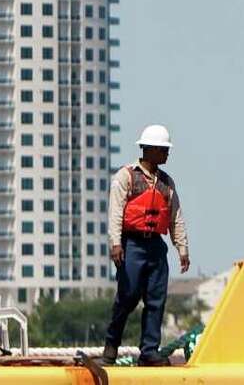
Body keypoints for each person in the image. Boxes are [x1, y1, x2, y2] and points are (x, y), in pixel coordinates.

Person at [103, 125, 192, 365]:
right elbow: (115, 212)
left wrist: (181, 248)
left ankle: (149, 351)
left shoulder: (166, 182)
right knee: (128, 296)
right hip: (131, 244)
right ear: (150, 149)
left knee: (156, 299)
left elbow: (175, 217)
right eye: (163, 149)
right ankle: (111, 347)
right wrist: (115, 244)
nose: (166, 154)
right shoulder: (126, 176)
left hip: (155, 247)